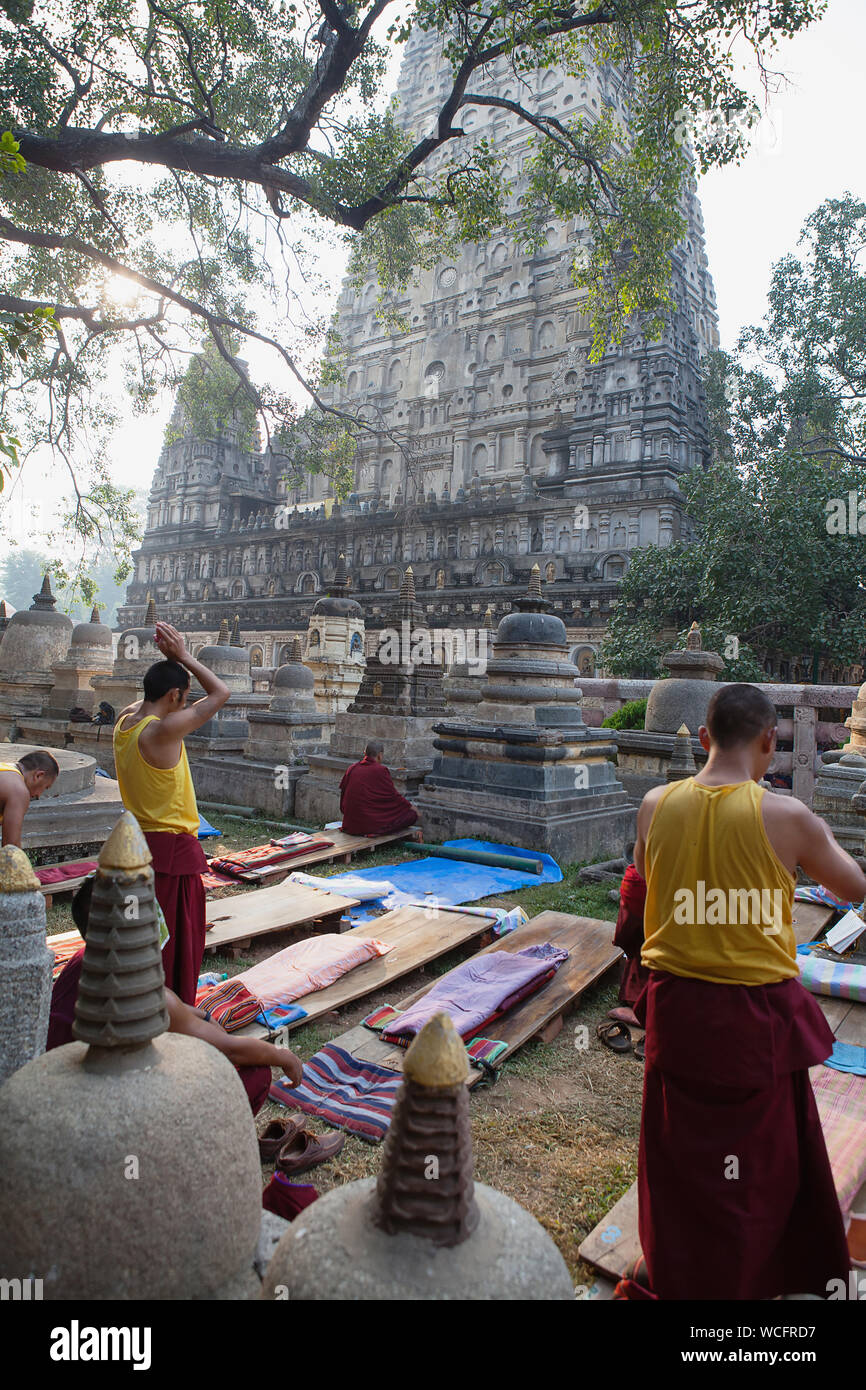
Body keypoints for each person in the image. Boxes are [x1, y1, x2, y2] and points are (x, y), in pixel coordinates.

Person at [630, 682, 866, 1301]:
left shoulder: (655, 804)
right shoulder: (787, 817)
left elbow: (649, 878)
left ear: (703, 739)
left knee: (678, 1155)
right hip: (753, 1023)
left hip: (677, 1012)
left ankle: (675, 1264)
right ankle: (747, 1280)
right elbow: (852, 888)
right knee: (755, 1166)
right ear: (770, 741)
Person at [48, 878, 303, 1113]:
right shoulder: (140, 993)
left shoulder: (84, 959)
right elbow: (230, 1051)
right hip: (103, 1115)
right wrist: (283, 1056)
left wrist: (202, 1014)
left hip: (57, 1095)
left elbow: (170, 1003)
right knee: (256, 1074)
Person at [113, 621, 229, 1004]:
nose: (186, 705)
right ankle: (167, 1010)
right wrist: (182, 656)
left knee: (141, 934)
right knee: (173, 942)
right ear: (175, 696)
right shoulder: (161, 733)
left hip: (136, 847)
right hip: (170, 852)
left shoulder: (124, 722)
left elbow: (152, 694)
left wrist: (168, 666)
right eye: (184, 698)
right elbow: (221, 692)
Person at [339, 739, 419, 837]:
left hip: (350, 825)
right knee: (411, 816)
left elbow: (343, 795)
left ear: (365, 753)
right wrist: (410, 807)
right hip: (370, 826)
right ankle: (376, 831)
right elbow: (394, 797)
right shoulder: (380, 770)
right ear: (380, 755)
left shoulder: (352, 768)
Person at [0, 750, 59, 847]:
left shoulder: (4, 769)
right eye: (45, 787)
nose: (39, 795)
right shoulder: (19, 791)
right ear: (39, 775)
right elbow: (11, 847)